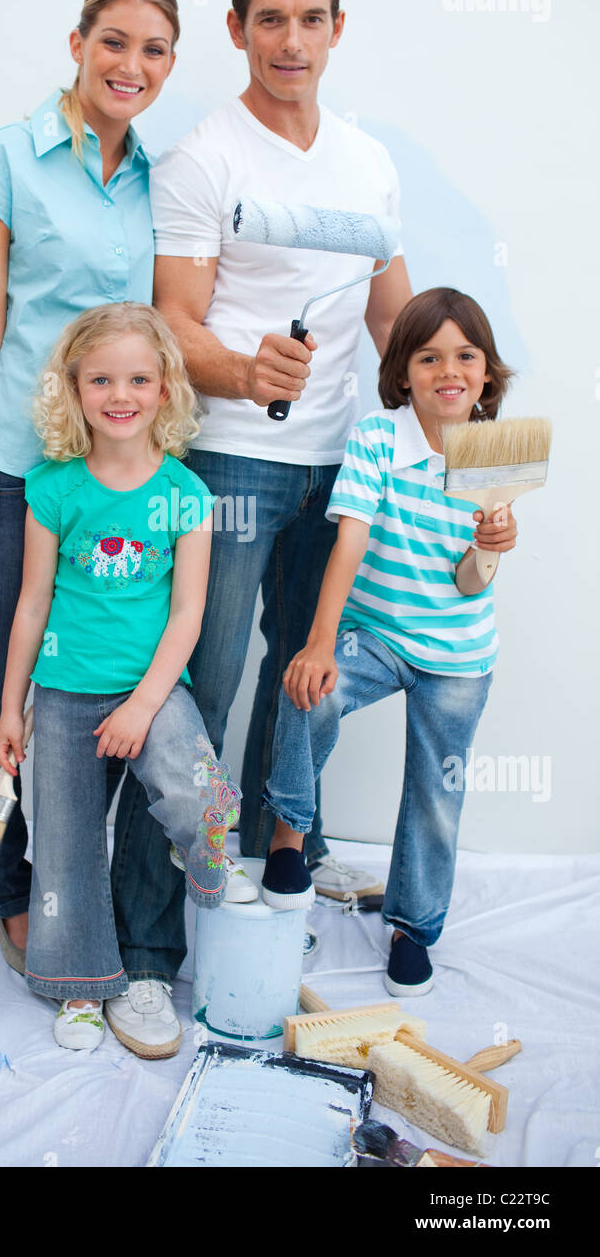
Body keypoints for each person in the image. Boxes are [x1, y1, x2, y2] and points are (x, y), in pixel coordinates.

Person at [110, 0, 413, 985]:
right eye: (270, 19)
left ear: (338, 29)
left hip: (341, 474)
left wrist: (453, 432)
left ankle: (271, 872)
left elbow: (394, 319)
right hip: (231, 464)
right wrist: (245, 372)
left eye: (311, 18)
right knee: (201, 683)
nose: (291, 41)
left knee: (304, 679)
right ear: (238, 29)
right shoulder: (205, 156)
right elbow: (172, 319)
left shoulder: (366, 160)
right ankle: (149, 943)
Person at [0, 0, 181, 993]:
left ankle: (77, 883)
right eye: (114, 42)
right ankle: (12, 892)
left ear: (171, 62)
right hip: (14, 475)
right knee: (0, 682)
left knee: (99, 678)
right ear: (76, 42)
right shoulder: (3, 158)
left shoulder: (162, 177)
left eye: (153, 49)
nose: (131, 65)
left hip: (120, 479)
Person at [0, 302, 240, 1052]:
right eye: (100, 379)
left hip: (154, 690)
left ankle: (192, 864)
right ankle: (78, 984)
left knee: (198, 791)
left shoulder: (187, 495)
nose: (120, 394)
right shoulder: (55, 488)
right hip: (66, 694)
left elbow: (189, 615)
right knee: (65, 842)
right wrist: (14, 707)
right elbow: (32, 606)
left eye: (138, 378)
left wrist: (143, 706)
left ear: (165, 388)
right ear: (74, 389)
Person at [261, 287, 518, 995]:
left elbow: (470, 584)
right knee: (310, 690)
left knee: (437, 792)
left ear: (486, 372)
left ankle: (413, 926)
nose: (449, 371)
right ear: (402, 371)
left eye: (465, 355)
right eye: (428, 356)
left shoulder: (491, 453)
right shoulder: (377, 437)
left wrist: (490, 547)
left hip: (459, 656)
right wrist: (319, 643)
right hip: (375, 633)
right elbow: (350, 540)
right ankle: (289, 835)